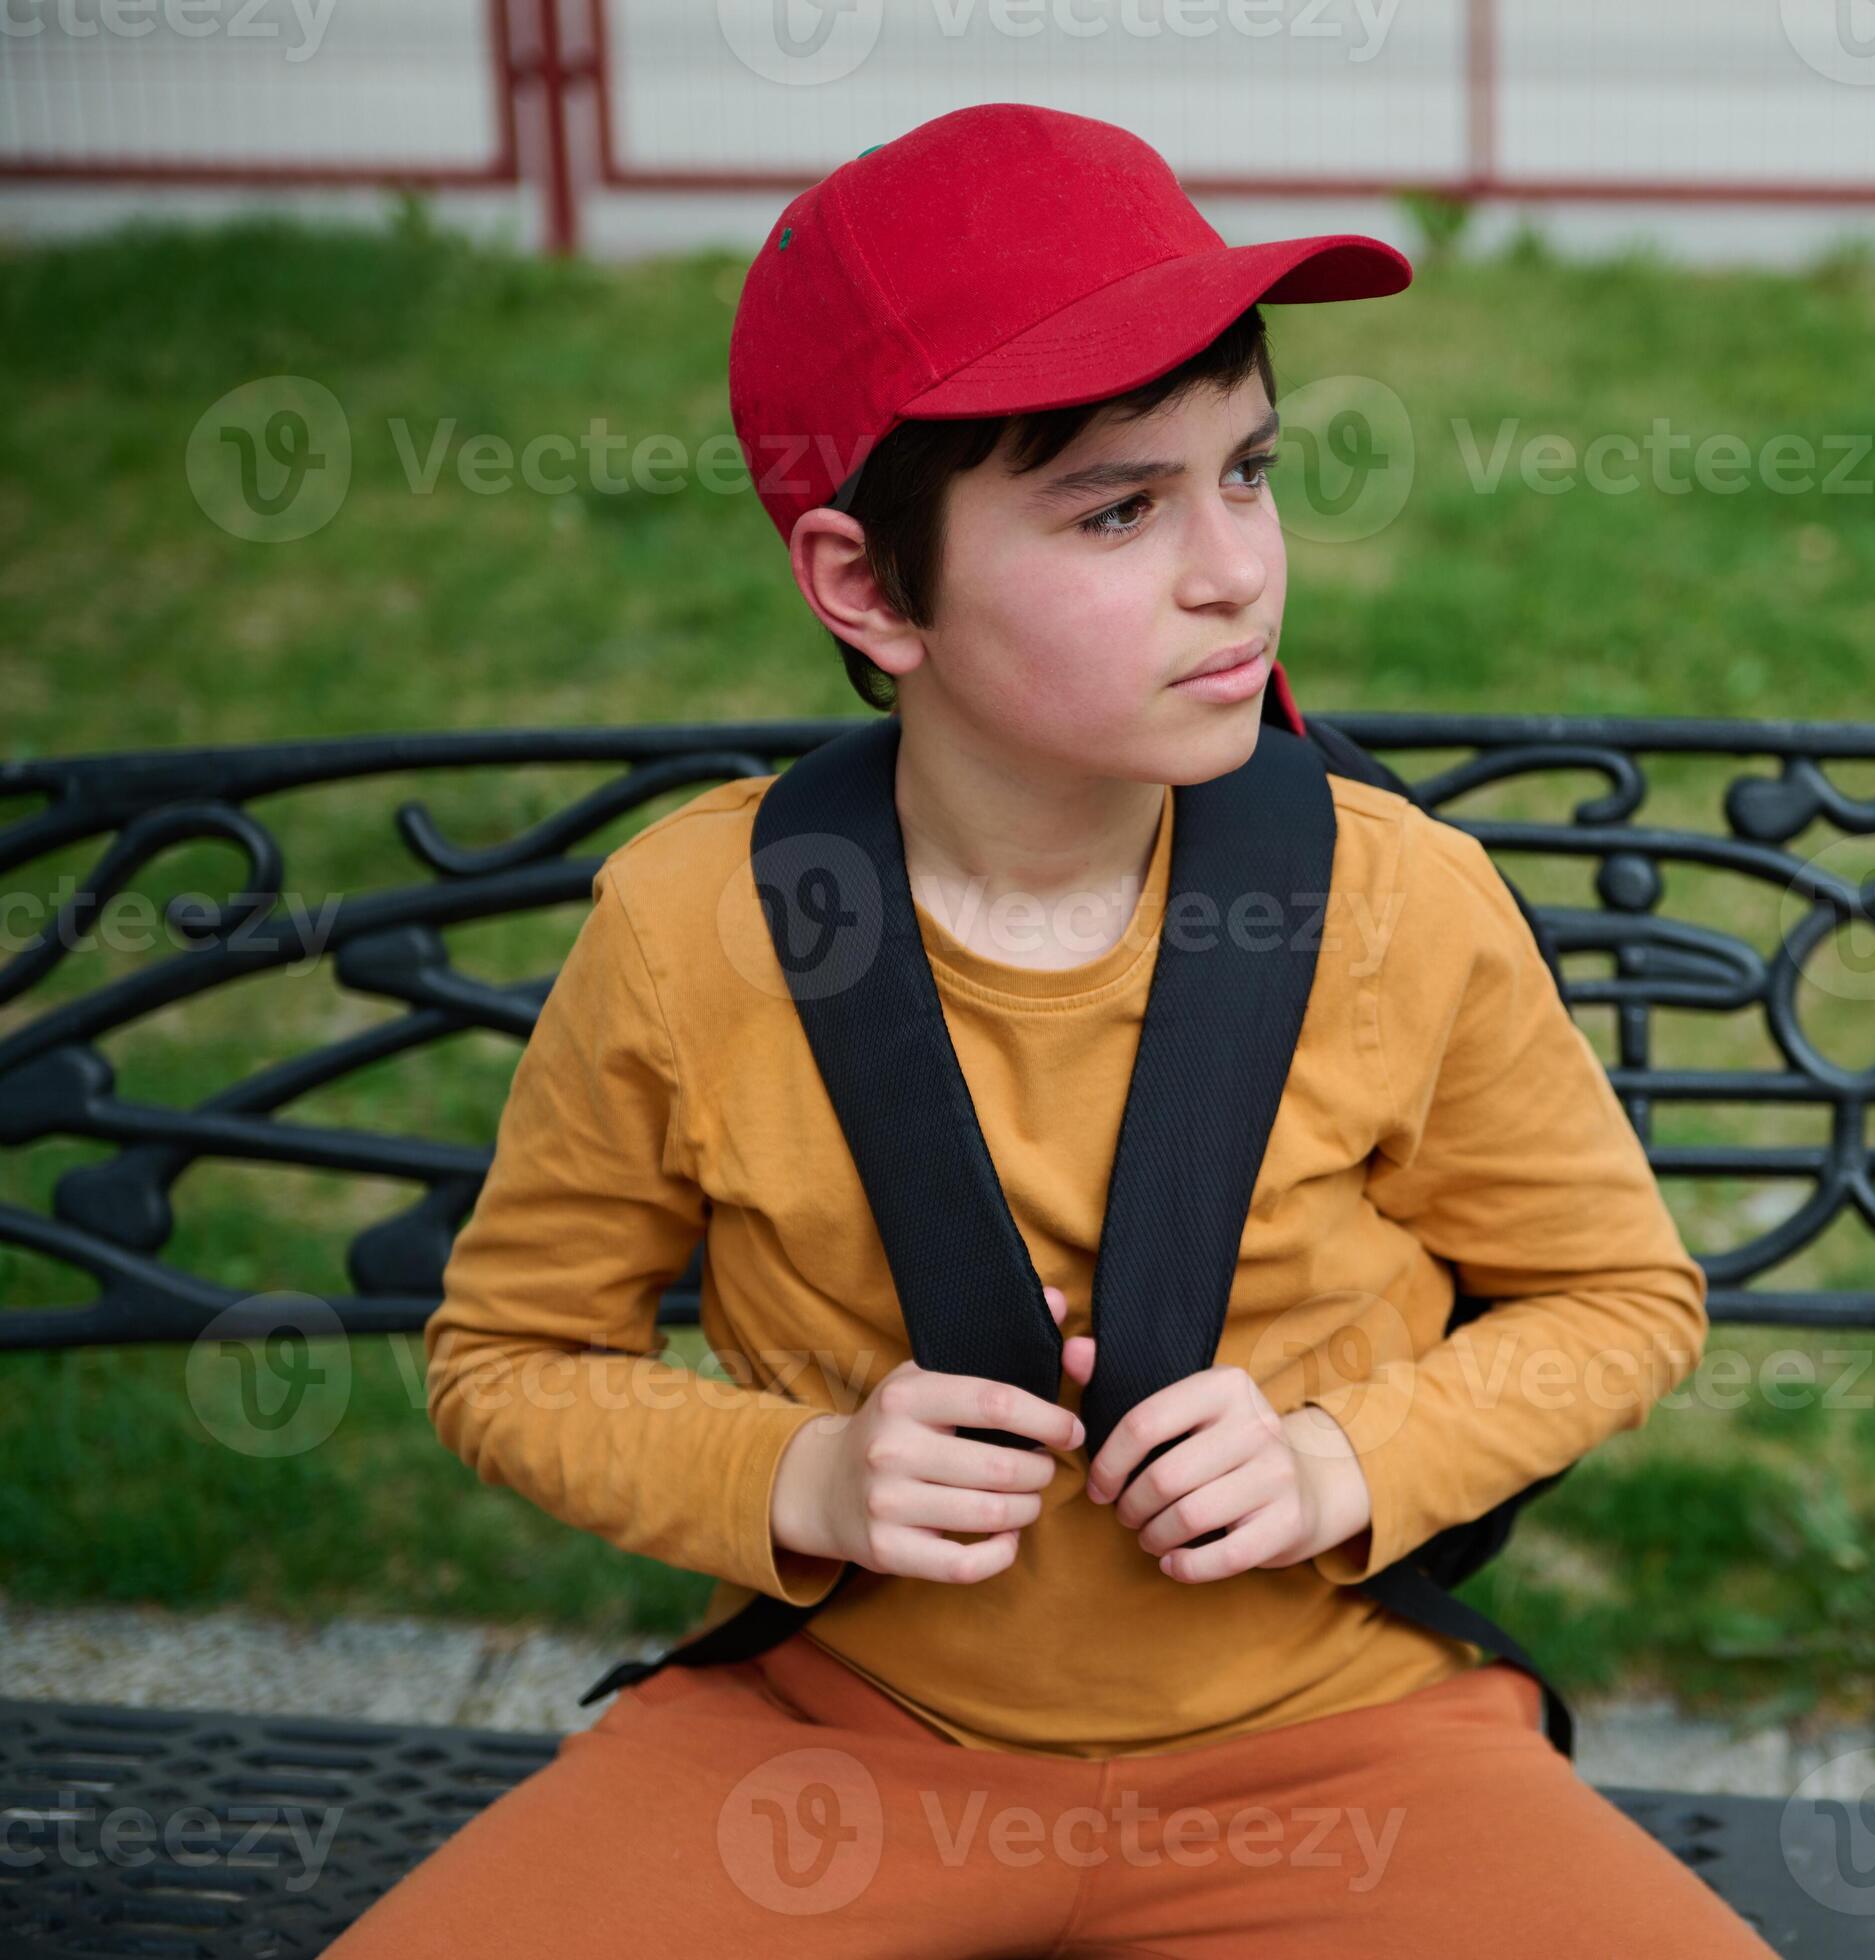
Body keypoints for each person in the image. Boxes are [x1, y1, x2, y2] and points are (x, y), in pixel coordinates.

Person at [324, 102, 1772, 1957]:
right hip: (831, 1741)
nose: (1231, 568)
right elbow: (508, 1357)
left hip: (1338, 1756)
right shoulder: (692, 930)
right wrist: (798, 1476)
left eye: (1246, 473)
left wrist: (1352, 1464)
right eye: (1116, 509)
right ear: (866, 586)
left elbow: (1620, 1298)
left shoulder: (1399, 903)